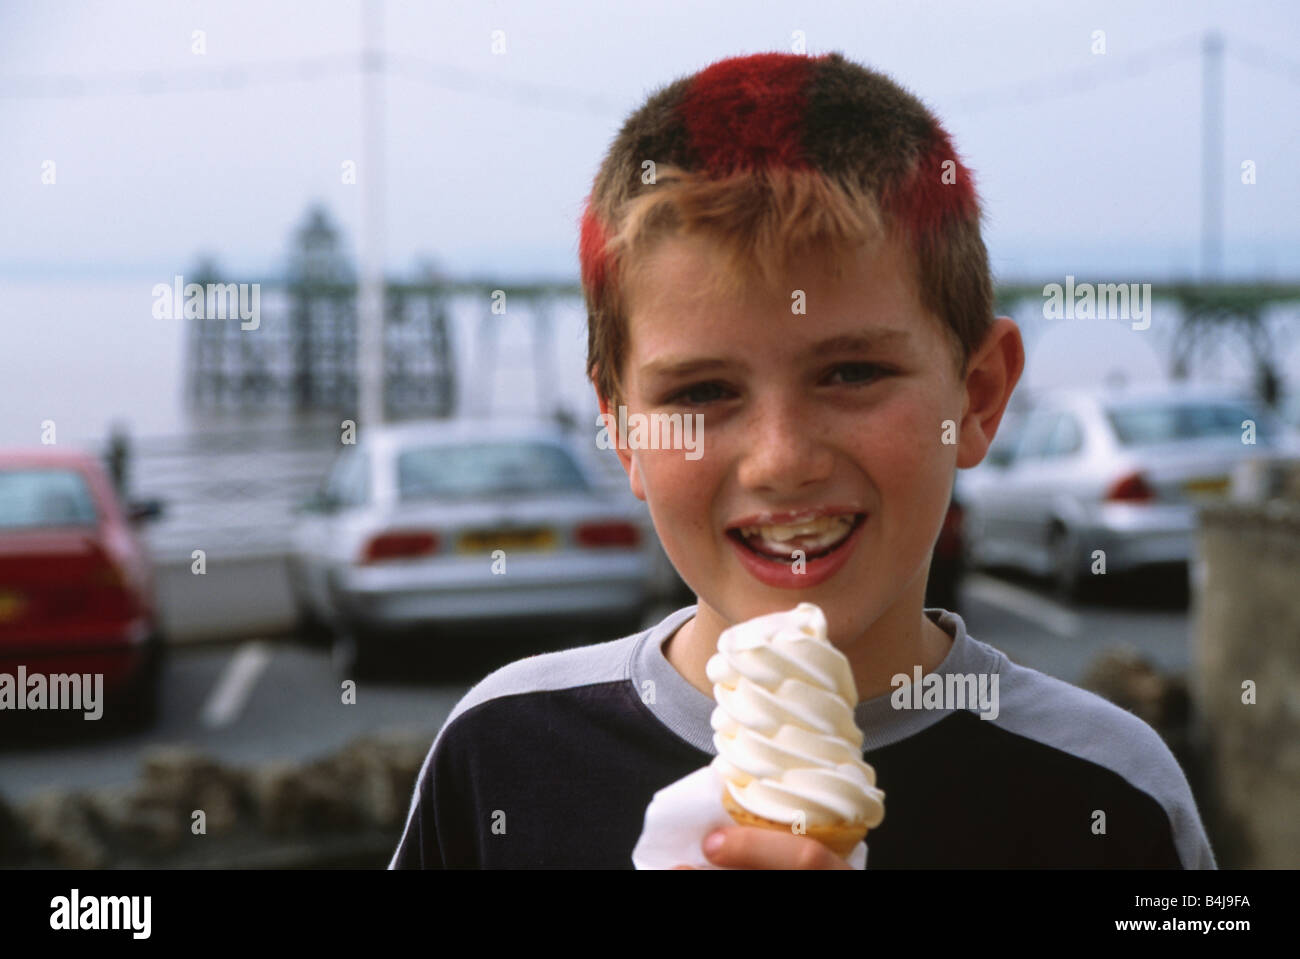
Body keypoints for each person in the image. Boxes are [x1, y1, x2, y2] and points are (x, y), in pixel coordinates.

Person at [389, 51, 1216, 869]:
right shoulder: (502, 756)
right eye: (702, 391)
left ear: (978, 395)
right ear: (624, 429)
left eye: (853, 373)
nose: (782, 461)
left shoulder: (1112, 793)